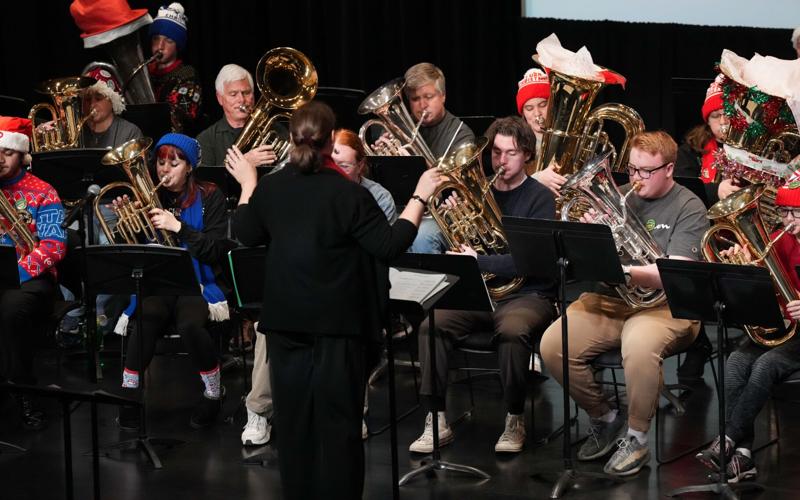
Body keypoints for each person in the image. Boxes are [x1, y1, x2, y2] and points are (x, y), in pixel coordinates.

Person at [226, 101, 444, 500]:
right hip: (338, 329)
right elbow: (389, 244)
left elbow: (245, 232)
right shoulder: (348, 194)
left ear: (292, 140)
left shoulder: (272, 188)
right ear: (330, 142)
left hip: (286, 325)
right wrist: (421, 195)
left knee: (293, 428)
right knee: (340, 428)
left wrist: (247, 183)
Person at [539, 130, 709, 476]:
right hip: (615, 300)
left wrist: (623, 267)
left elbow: (675, 273)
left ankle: (636, 438)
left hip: (668, 307)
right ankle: (604, 416)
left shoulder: (689, 206)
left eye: (645, 171)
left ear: (669, 169)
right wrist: (591, 245)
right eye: (631, 170)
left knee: (638, 343)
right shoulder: (616, 198)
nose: (635, 179)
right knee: (554, 343)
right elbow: (588, 264)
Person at [409, 116, 557, 454]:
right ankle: (436, 419)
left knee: (512, 330)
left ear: (528, 156)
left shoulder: (539, 199)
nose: (501, 161)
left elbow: (531, 262)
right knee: (432, 323)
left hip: (528, 293)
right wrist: (459, 239)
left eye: (511, 154)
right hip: (484, 293)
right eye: (496, 153)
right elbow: (463, 249)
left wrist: (480, 260)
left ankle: (514, 417)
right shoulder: (476, 190)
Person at [115, 133, 235, 430]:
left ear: (190, 167)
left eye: (174, 163)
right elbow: (133, 248)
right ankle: (130, 394)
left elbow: (216, 249)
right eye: (160, 162)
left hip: (199, 282)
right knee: (145, 319)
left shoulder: (211, 196)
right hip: (159, 280)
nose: (164, 170)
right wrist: (125, 221)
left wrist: (178, 227)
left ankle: (213, 392)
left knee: (190, 324)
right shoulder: (147, 197)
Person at [695, 182, 800, 482]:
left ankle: (727, 440)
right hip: (782, 327)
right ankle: (743, 455)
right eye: (784, 212)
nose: (788, 220)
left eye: (796, 212)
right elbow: (759, 289)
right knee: (735, 363)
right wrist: (743, 270)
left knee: (766, 365)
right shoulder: (780, 241)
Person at [0, 116, 67, 429]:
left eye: (7, 152)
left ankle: (24, 390)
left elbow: (54, 247)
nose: (0, 159)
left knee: (11, 310)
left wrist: (16, 272)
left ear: (22, 154)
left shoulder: (44, 191)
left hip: (30, 278)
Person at [401, 62, 475, 254]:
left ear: (443, 96)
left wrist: (417, 165)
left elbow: (456, 189)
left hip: (442, 214)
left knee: (421, 236)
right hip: (406, 206)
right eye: (415, 99)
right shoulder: (402, 130)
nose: (422, 105)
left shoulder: (461, 134)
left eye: (428, 97)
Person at [196, 64, 277, 168]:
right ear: (219, 98)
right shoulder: (206, 139)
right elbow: (206, 181)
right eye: (233, 94)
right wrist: (245, 163)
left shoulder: (274, 129)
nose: (241, 100)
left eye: (246, 93)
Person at [675, 74, 734, 206]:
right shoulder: (691, 148)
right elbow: (680, 188)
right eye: (716, 116)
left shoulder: (751, 146)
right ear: (707, 121)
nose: (723, 121)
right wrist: (715, 191)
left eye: (728, 114)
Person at [148, 2, 202, 134]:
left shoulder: (187, 75)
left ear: (177, 46)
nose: (160, 46)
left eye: (169, 41)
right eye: (156, 38)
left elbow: (180, 118)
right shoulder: (145, 71)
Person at [515, 67, 566, 196]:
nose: (537, 113)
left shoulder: (568, 137)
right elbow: (506, 188)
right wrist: (537, 180)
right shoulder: (515, 144)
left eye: (543, 105)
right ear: (523, 113)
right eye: (529, 108)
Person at [333, 128, 397, 223]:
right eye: (331, 164)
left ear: (360, 166)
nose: (335, 172)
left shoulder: (380, 198)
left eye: (344, 166)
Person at [81, 67, 142, 148]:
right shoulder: (76, 133)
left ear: (112, 100)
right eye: (88, 99)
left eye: (98, 98)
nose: (92, 104)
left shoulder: (130, 133)